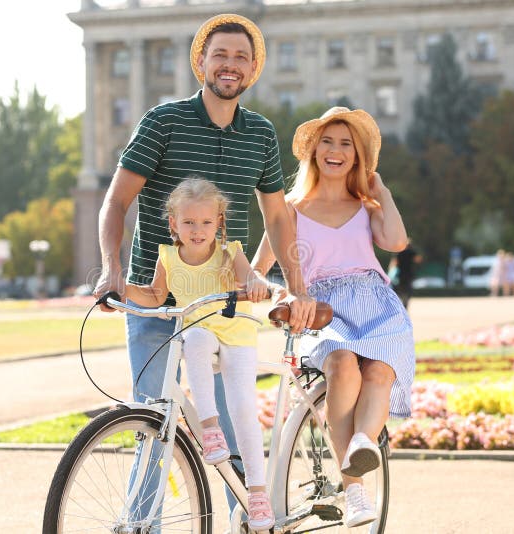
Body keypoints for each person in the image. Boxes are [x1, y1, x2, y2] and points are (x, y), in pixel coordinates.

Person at [91, 12, 316, 519]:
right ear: (201, 62)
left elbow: (278, 216)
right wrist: (111, 270)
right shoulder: (163, 122)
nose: (229, 65)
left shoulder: (259, 133)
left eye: (240, 57)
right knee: (154, 422)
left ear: (252, 68)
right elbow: (116, 201)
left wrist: (296, 288)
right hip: (160, 303)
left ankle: (249, 518)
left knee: (235, 428)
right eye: (220, 55)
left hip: (224, 307)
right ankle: (139, 526)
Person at [252, 107, 415, 528]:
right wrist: (262, 287)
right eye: (328, 141)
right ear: (313, 151)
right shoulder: (289, 209)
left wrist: (383, 191)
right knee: (342, 364)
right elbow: (258, 268)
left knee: (379, 371)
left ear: (357, 157)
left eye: (346, 144)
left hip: (376, 305)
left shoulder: (366, 205)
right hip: (321, 309)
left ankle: (363, 442)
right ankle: (356, 489)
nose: (336, 150)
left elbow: (396, 241)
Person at [122, 179, 277, 530]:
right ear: (173, 223)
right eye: (189, 222)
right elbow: (155, 296)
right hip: (202, 332)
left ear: (219, 222)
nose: (197, 230)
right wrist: (123, 288)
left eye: (206, 222)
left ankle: (257, 493)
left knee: (241, 410)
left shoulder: (229, 251)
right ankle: (209, 430)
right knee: (190, 337)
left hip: (236, 331)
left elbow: (249, 277)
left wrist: (254, 284)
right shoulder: (168, 257)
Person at [393, 239, 422, 308]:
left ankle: (402, 300)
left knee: (401, 289)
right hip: (409, 274)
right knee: (408, 290)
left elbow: (394, 263)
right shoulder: (412, 252)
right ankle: (405, 302)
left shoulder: (399, 252)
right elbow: (418, 260)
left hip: (400, 274)